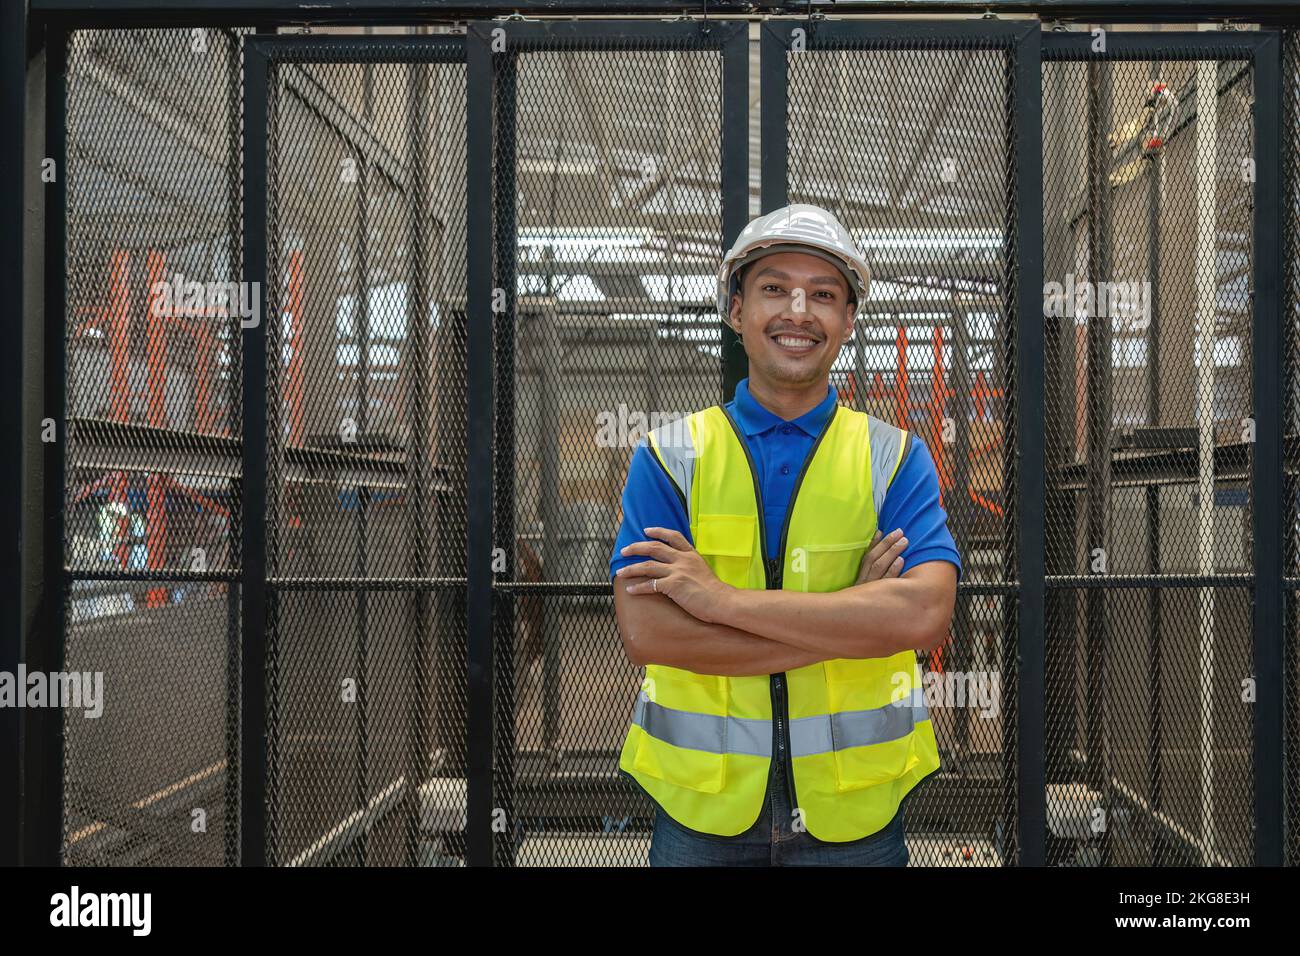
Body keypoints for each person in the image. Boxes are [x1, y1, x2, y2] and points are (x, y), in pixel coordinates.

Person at [609, 203, 961, 866]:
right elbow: (649, 634)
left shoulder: (895, 458)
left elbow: (924, 615)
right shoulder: (669, 458)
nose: (798, 312)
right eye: (775, 289)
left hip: (853, 815)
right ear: (736, 311)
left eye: (823, 295)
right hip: (701, 814)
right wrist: (852, 618)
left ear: (847, 321)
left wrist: (722, 602)